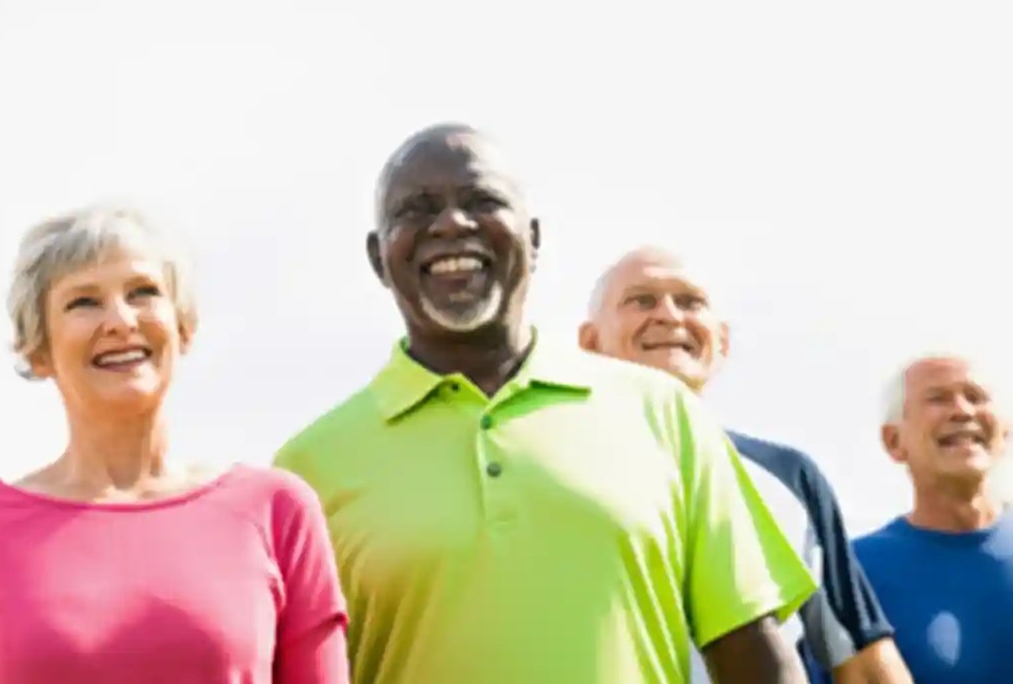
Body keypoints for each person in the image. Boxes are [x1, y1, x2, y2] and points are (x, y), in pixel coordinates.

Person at [274, 123, 818, 683]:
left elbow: (755, 656)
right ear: (377, 257)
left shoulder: (665, 415)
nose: (452, 223)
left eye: (482, 200)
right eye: (415, 209)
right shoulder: (306, 470)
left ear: (533, 240)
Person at [0, 204, 349, 684]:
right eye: (83, 302)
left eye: (143, 293)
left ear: (183, 328)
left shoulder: (278, 511)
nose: (120, 320)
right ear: (39, 349)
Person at [578, 246, 913, 684]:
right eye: (641, 300)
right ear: (588, 343)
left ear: (722, 342)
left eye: (690, 302)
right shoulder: (546, 465)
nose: (670, 316)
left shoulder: (787, 477)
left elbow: (863, 664)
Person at [848, 353, 1013, 682]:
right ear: (894, 442)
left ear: (1006, 433)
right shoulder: (856, 572)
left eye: (976, 397)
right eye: (938, 399)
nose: (963, 411)